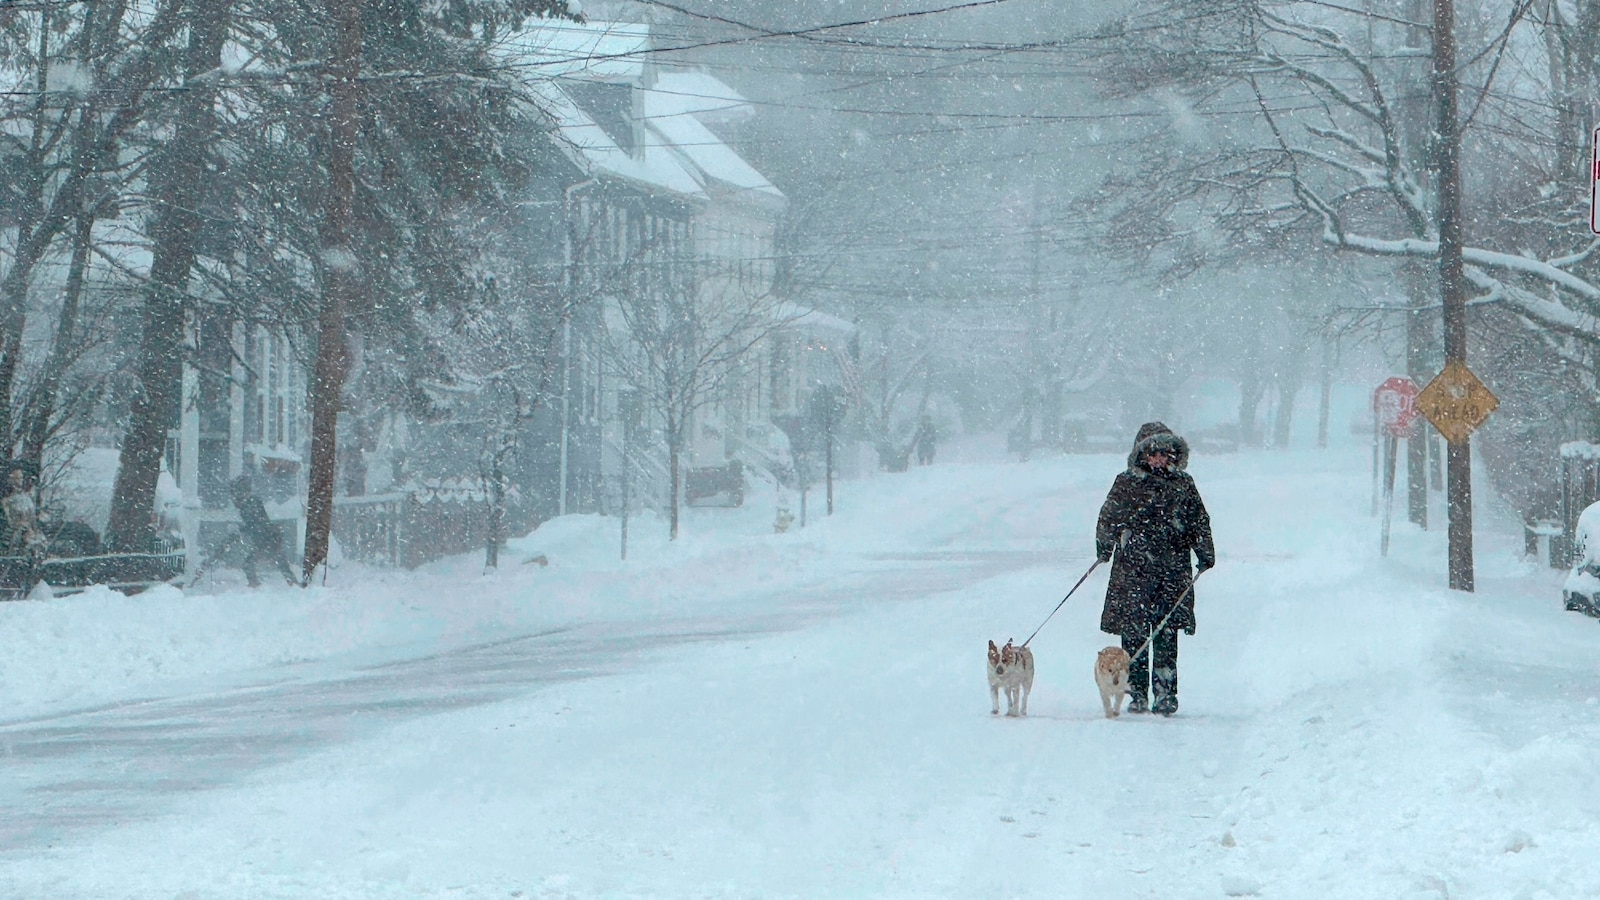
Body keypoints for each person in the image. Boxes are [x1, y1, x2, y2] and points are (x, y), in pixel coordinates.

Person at [1095, 422, 1215, 716]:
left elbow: (1199, 520)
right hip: (1133, 569)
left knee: (1165, 636)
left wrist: (1205, 551)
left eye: (1165, 454)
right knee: (1134, 633)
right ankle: (1135, 692)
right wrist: (1104, 546)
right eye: (1152, 454)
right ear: (1141, 455)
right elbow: (1108, 516)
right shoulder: (1126, 483)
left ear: (1174, 456)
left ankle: (1165, 694)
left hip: (1172, 571)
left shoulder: (1184, 484)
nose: (1159, 460)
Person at [219, 475, 298, 587]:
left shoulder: (250, 504)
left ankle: (255, 586)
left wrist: (241, 531)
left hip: (266, 540)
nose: (233, 499)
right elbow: (257, 523)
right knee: (280, 563)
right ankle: (293, 585)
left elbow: (256, 524)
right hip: (268, 538)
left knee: (250, 564)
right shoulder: (250, 503)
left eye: (235, 493)